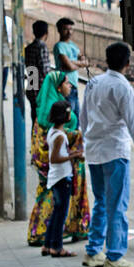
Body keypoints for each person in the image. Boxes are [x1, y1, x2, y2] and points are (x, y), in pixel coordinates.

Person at [82, 41, 134, 267]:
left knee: (100, 201)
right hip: (115, 153)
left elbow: (83, 117)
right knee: (117, 205)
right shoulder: (123, 88)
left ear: (107, 60)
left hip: (94, 152)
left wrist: (87, 141)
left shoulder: (93, 83)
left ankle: (94, 251)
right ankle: (115, 257)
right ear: (128, 63)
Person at [27, 71, 91, 248]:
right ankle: (53, 240)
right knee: (59, 204)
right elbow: (60, 146)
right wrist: (74, 151)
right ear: (57, 87)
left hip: (55, 168)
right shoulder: (59, 114)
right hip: (62, 168)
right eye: (67, 83)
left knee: (55, 202)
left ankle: (45, 237)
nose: (70, 85)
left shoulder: (43, 111)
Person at [43, 101, 81, 258]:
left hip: (57, 177)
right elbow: (54, 158)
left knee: (56, 213)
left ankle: (47, 245)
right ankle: (57, 247)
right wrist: (74, 155)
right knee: (61, 214)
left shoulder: (53, 131)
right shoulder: (59, 136)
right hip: (61, 177)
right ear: (65, 115)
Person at [52, 18, 88, 121]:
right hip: (65, 86)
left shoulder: (73, 46)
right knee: (69, 118)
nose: (69, 32)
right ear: (59, 30)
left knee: (77, 117)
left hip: (74, 86)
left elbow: (85, 62)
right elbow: (70, 67)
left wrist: (72, 62)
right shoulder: (59, 46)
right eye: (65, 29)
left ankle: (74, 136)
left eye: (71, 29)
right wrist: (79, 64)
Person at [24, 20, 51, 122]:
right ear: (46, 33)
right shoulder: (41, 47)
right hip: (40, 89)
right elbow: (45, 71)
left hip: (31, 87)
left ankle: (34, 137)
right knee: (42, 120)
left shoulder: (28, 48)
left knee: (34, 119)